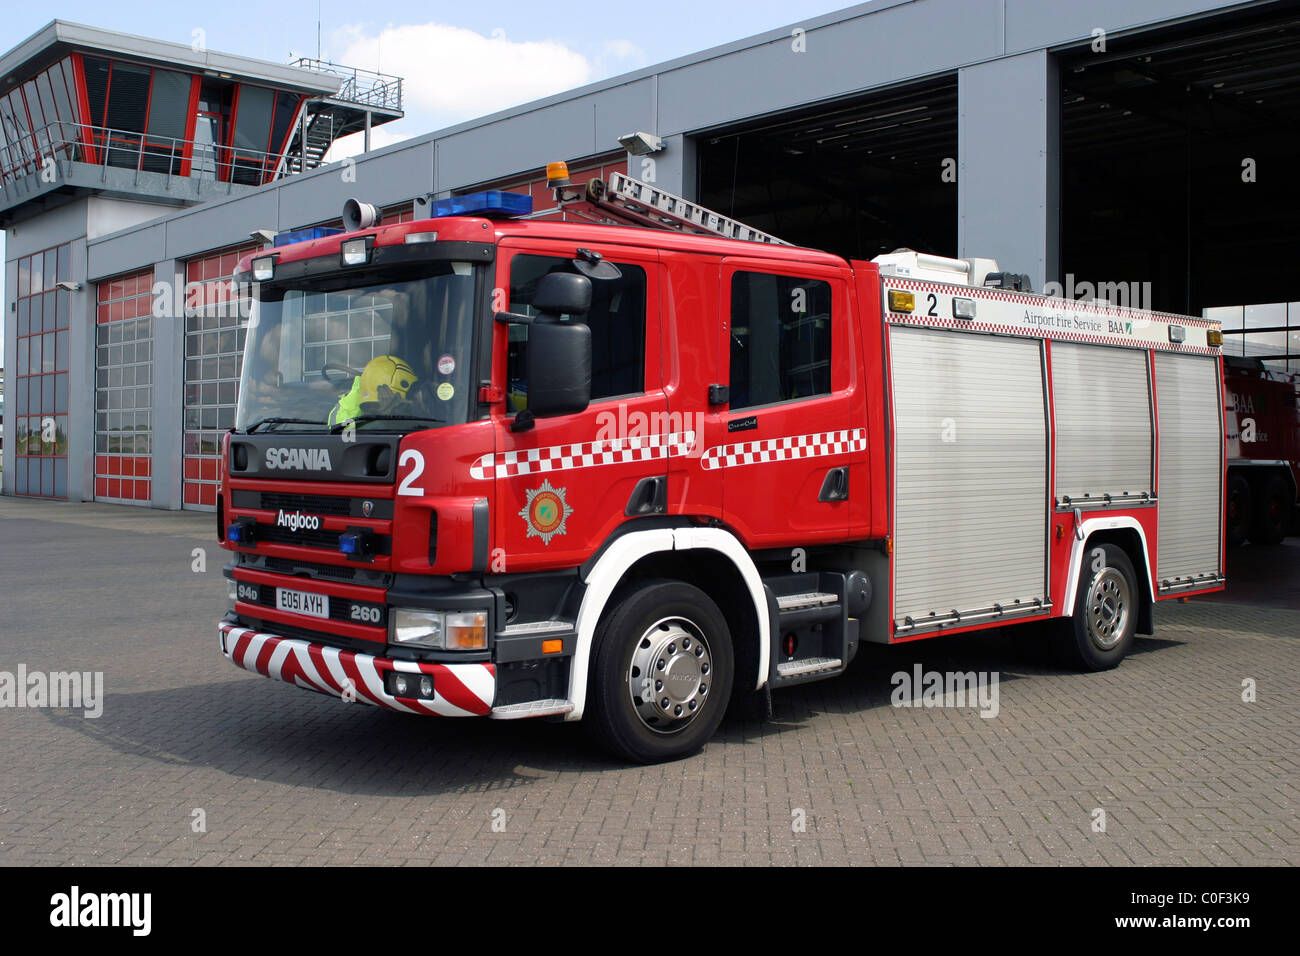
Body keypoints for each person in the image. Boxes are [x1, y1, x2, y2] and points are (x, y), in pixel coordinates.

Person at [327, 354, 418, 426]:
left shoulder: (419, 415)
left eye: (376, 407)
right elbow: (338, 432)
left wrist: (392, 417)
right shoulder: (355, 401)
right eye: (369, 408)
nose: (371, 412)